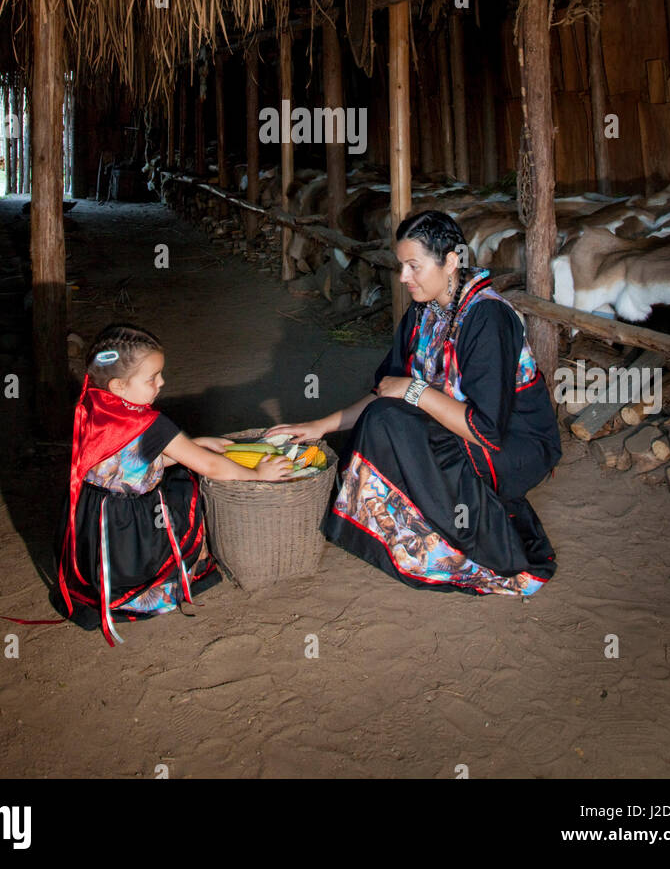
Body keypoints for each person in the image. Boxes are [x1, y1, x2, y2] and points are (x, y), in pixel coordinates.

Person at [266, 212, 562, 598]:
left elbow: (486, 430)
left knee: (392, 421)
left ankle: (487, 540)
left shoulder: (487, 318)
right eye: (402, 265)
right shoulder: (425, 313)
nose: (404, 277)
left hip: (514, 445)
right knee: (380, 418)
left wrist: (415, 392)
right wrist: (320, 426)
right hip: (462, 430)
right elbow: (386, 390)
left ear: (451, 261)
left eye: (413, 266)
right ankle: (429, 522)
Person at [52, 323, 292, 644]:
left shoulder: (92, 406)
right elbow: (209, 466)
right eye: (152, 378)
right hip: (130, 544)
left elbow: (130, 463)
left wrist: (195, 442)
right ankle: (177, 570)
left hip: (91, 533)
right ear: (119, 385)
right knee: (186, 484)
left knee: (176, 468)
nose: (162, 382)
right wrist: (258, 474)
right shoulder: (149, 423)